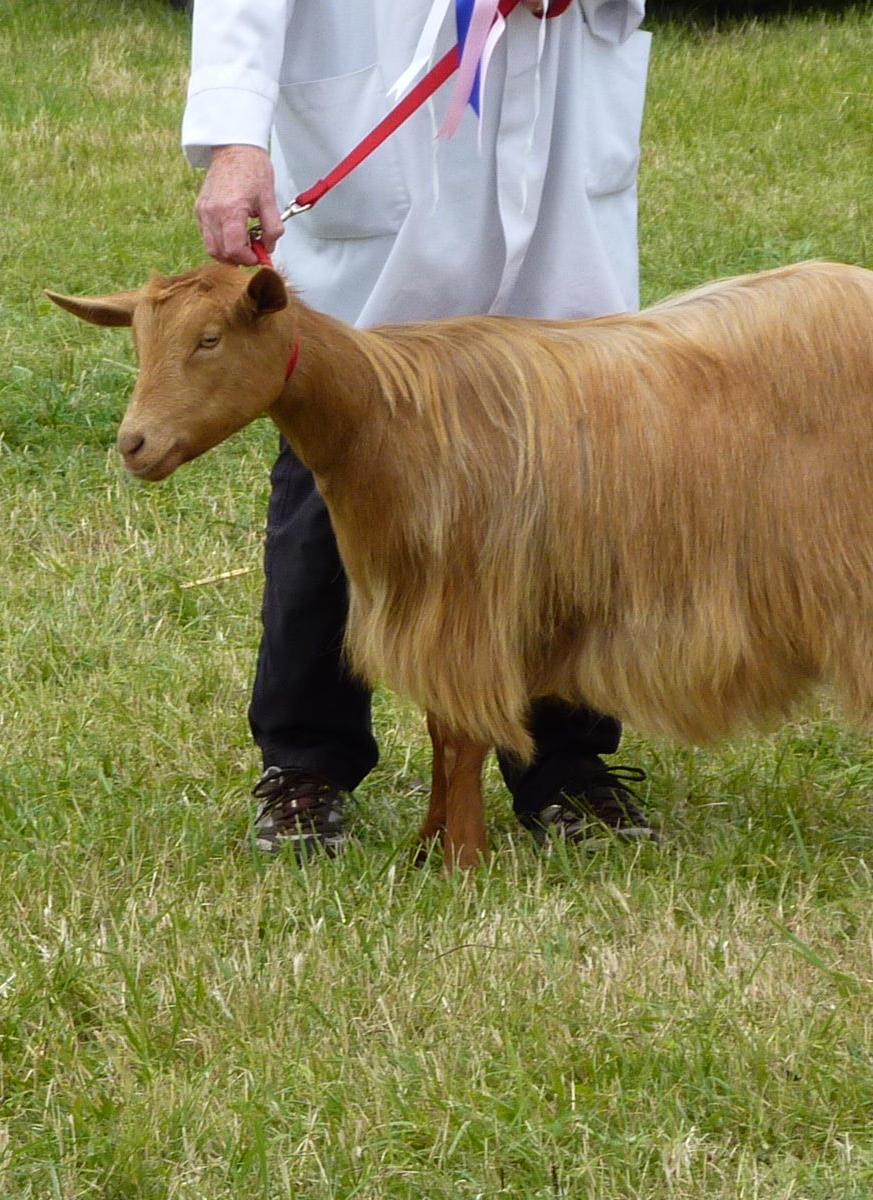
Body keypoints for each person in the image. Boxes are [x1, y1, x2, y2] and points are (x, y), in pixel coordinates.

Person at [182, 0, 657, 855]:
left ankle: (566, 762)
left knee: (570, 462)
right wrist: (234, 138)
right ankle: (306, 764)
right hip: (380, 133)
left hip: (557, 112)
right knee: (343, 442)